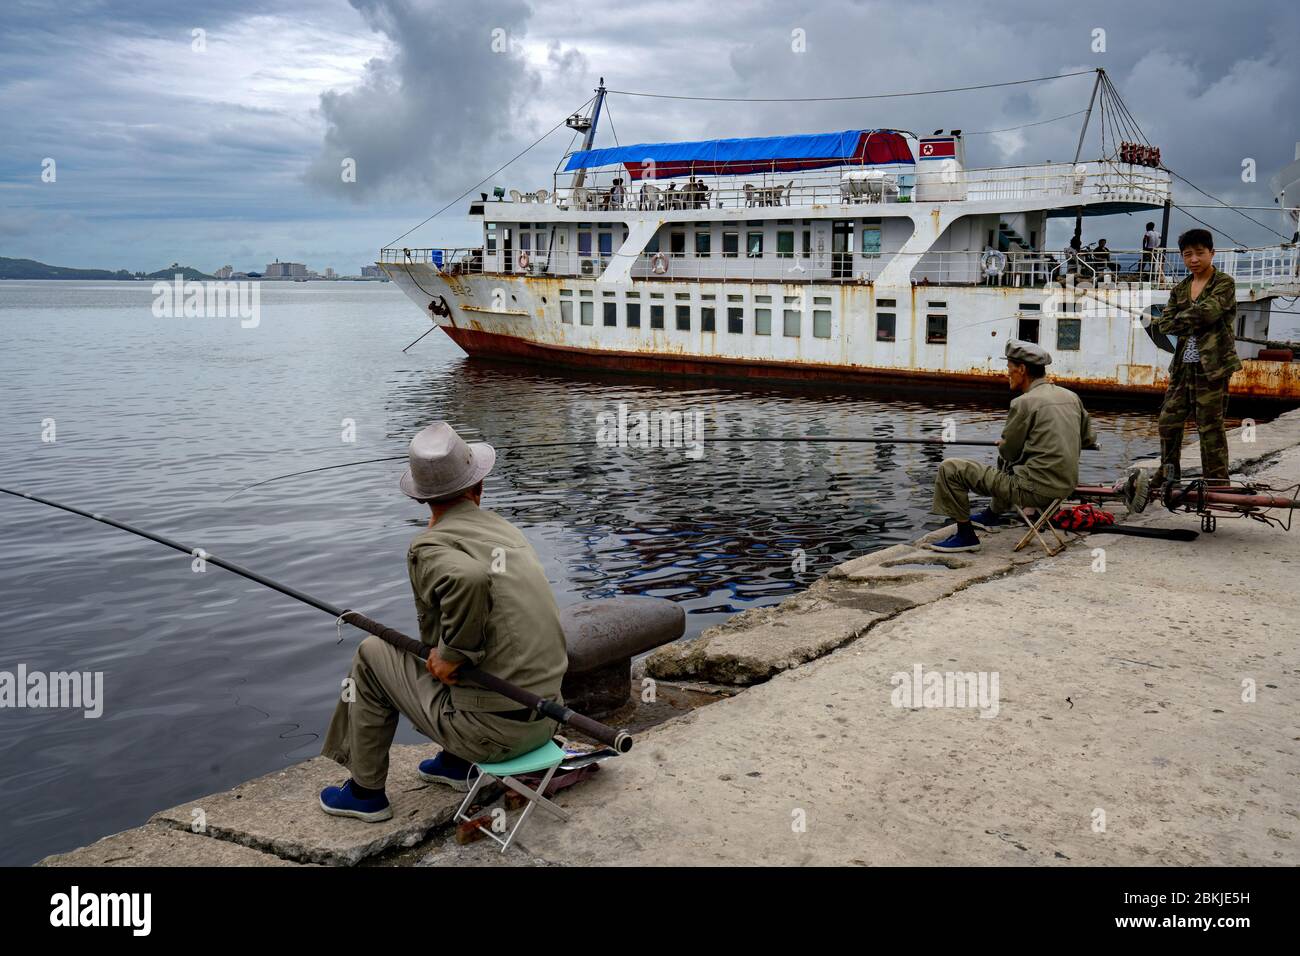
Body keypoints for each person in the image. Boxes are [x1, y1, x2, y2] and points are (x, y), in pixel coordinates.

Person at [319, 422, 569, 822]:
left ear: (421, 500)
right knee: (444, 650)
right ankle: (455, 765)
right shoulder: (505, 532)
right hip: (544, 721)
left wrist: (453, 653)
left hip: (494, 738)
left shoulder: (430, 544)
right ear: (479, 487)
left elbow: (467, 581)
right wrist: (450, 653)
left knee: (371, 653)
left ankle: (365, 793)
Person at [927, 339, 1099, 553]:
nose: (1007, 373)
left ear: (1022, 369)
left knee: (950, 468)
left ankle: (965, 536)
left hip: (1034, 491)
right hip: (1065, 487)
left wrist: (1006, 443)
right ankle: (991, 515)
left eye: (1009, 368)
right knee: (1007, 462)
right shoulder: (1071, 397)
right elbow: (1088, 439)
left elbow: (1009, 451)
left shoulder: (1023, 403)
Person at [1152, 228, 1240, 486]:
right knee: (1168, 420)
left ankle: (1217, 481)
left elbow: (1208, 313)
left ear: (1211, 253)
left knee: (1210, 425)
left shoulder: (1224, 283)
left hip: (1212, 365)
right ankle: (1168, 473)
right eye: (1188, 254)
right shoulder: (1180, 289)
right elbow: (1165, 324)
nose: (1194, 259)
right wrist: (1185, 319)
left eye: (1200, 253)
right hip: (1182, 366)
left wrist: (1181, 318)